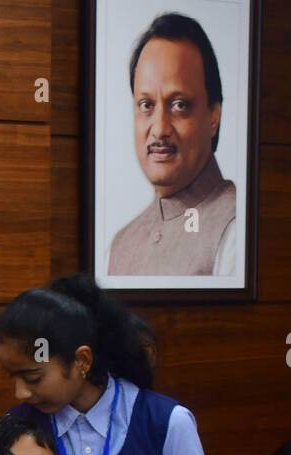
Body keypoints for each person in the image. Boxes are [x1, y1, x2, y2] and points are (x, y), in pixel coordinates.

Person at [0, 274, 215, 455]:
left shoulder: (167, 421)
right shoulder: (17, 426)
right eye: (12, 377)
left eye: (33, 377)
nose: (21, 393)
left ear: (82, 361)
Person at [108, 12, 237, 277]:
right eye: (146, 105)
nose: (160, 129)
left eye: (179, 105)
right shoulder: (121, 244)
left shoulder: (236, 228)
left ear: (214, 116)